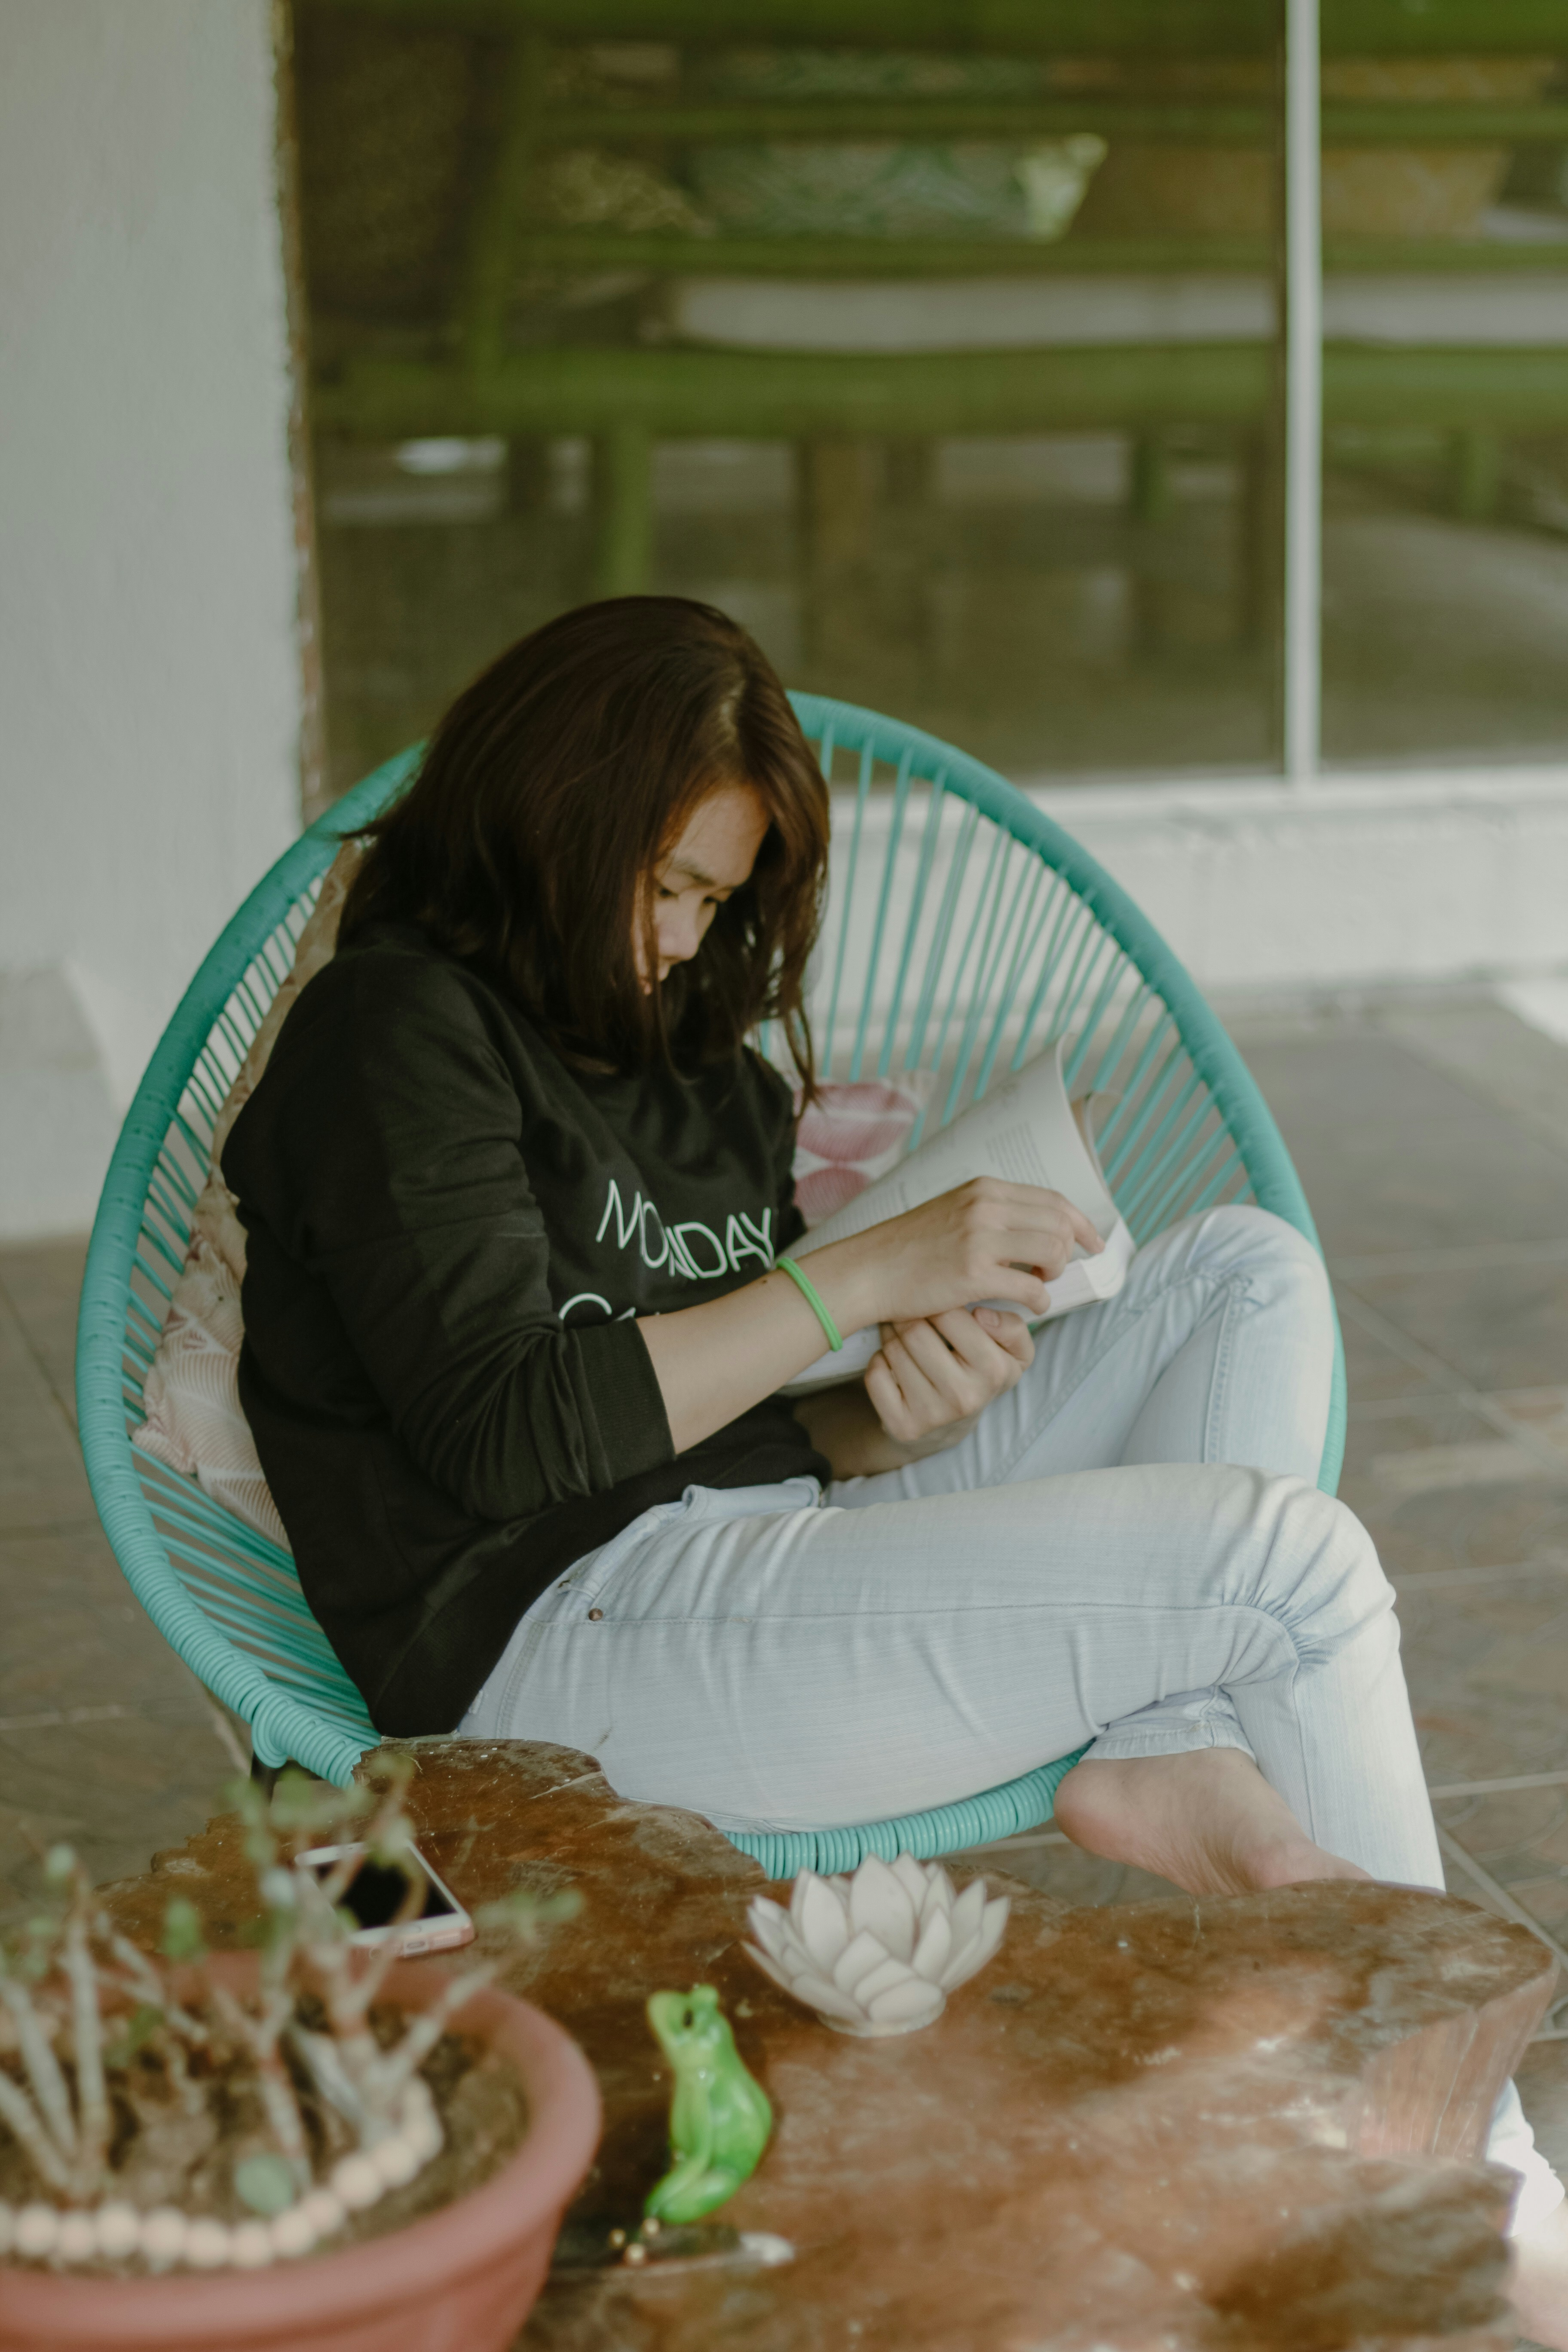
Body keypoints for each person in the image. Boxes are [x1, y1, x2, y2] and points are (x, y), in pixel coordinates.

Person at [225, 596, 1568, 2334]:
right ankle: (1480, 2179)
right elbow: (508, 1437)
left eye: (720, 899)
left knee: (1244, 1272)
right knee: (1284, 1571)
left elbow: (756, 1409)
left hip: (765, 1544)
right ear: (547, 820)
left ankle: (1165, 1750)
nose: (681, 940)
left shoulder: (688, 1064)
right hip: (561, 1640)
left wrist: (889, 1411)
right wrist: (858, 1273)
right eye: (668, 885)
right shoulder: (399, 1033)